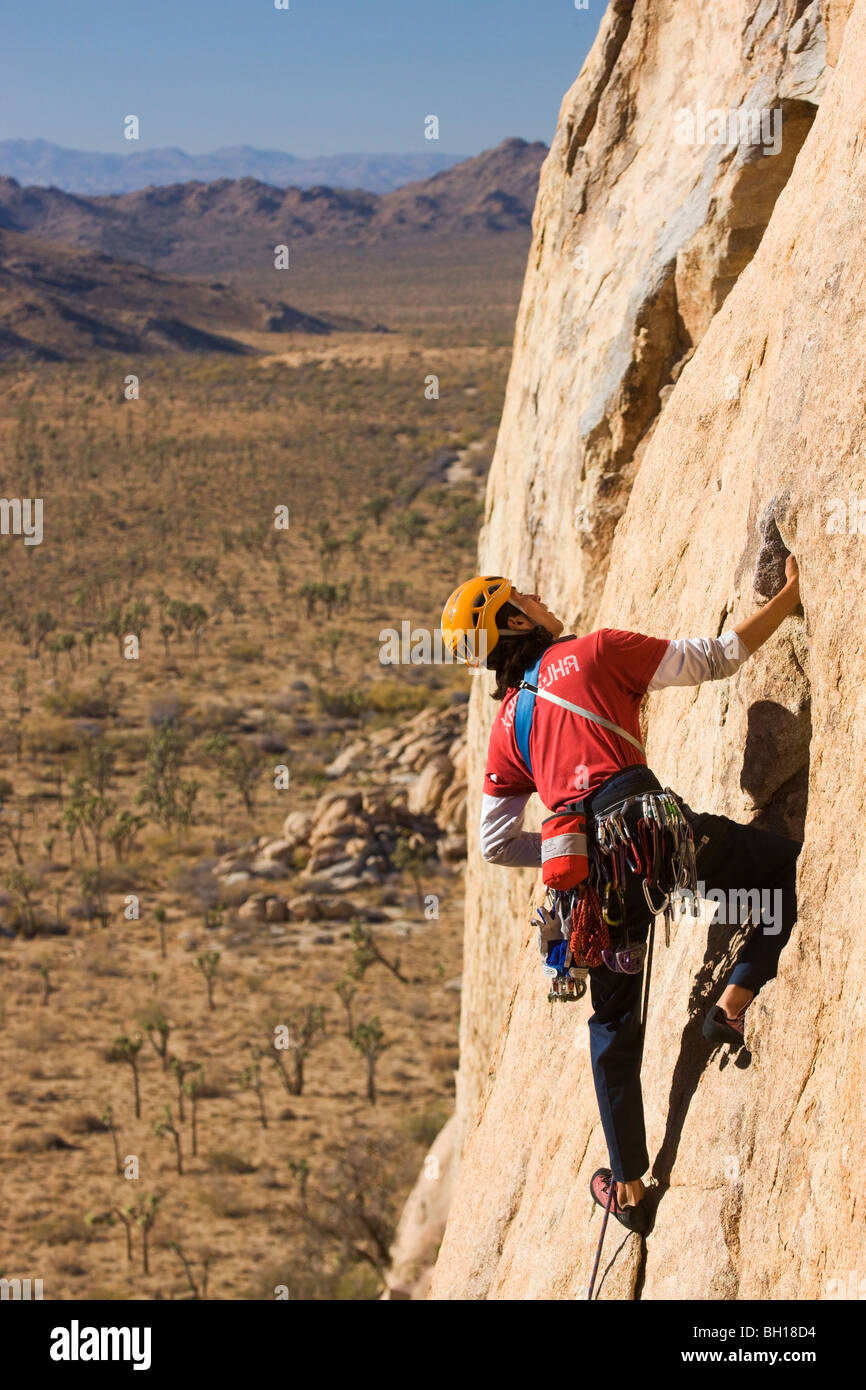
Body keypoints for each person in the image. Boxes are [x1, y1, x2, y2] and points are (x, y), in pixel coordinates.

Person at [440, 563, 802, 1232]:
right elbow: (719, 656)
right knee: (782, 874)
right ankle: (734, 998)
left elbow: (494, 843)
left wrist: (559, 849)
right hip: (656, 838)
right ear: (515, 621)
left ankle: (629, 1187)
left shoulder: (508, 724)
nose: (539, 597)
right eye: (524, 597)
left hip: (592, 885)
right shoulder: (596, 651)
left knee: (612, 1026)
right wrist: (791, 596)